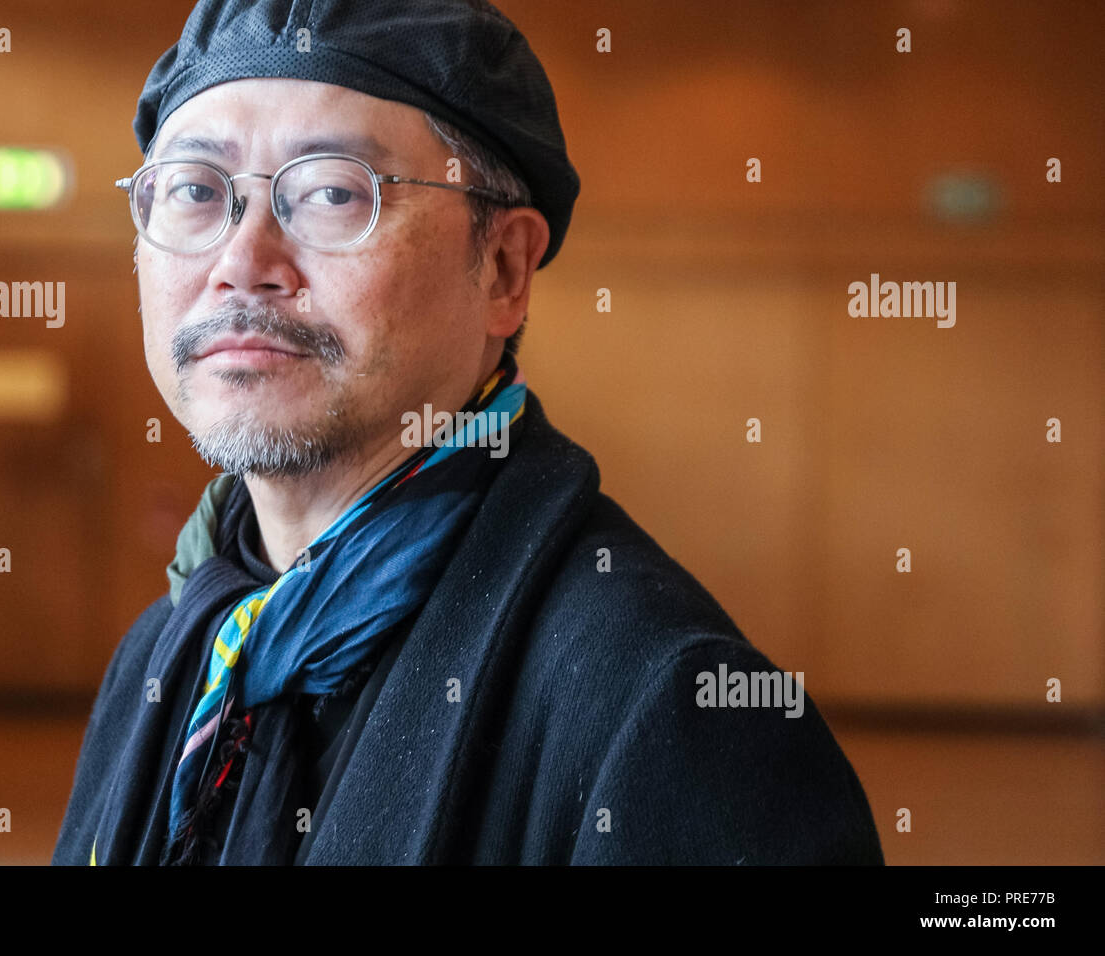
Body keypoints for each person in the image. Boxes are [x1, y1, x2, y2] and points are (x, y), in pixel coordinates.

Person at [52, 0, 884, 865]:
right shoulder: (172, 649)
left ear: (503, 268)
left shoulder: (668, 713)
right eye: (195, 191)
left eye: (333, 192)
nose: (241, 263)